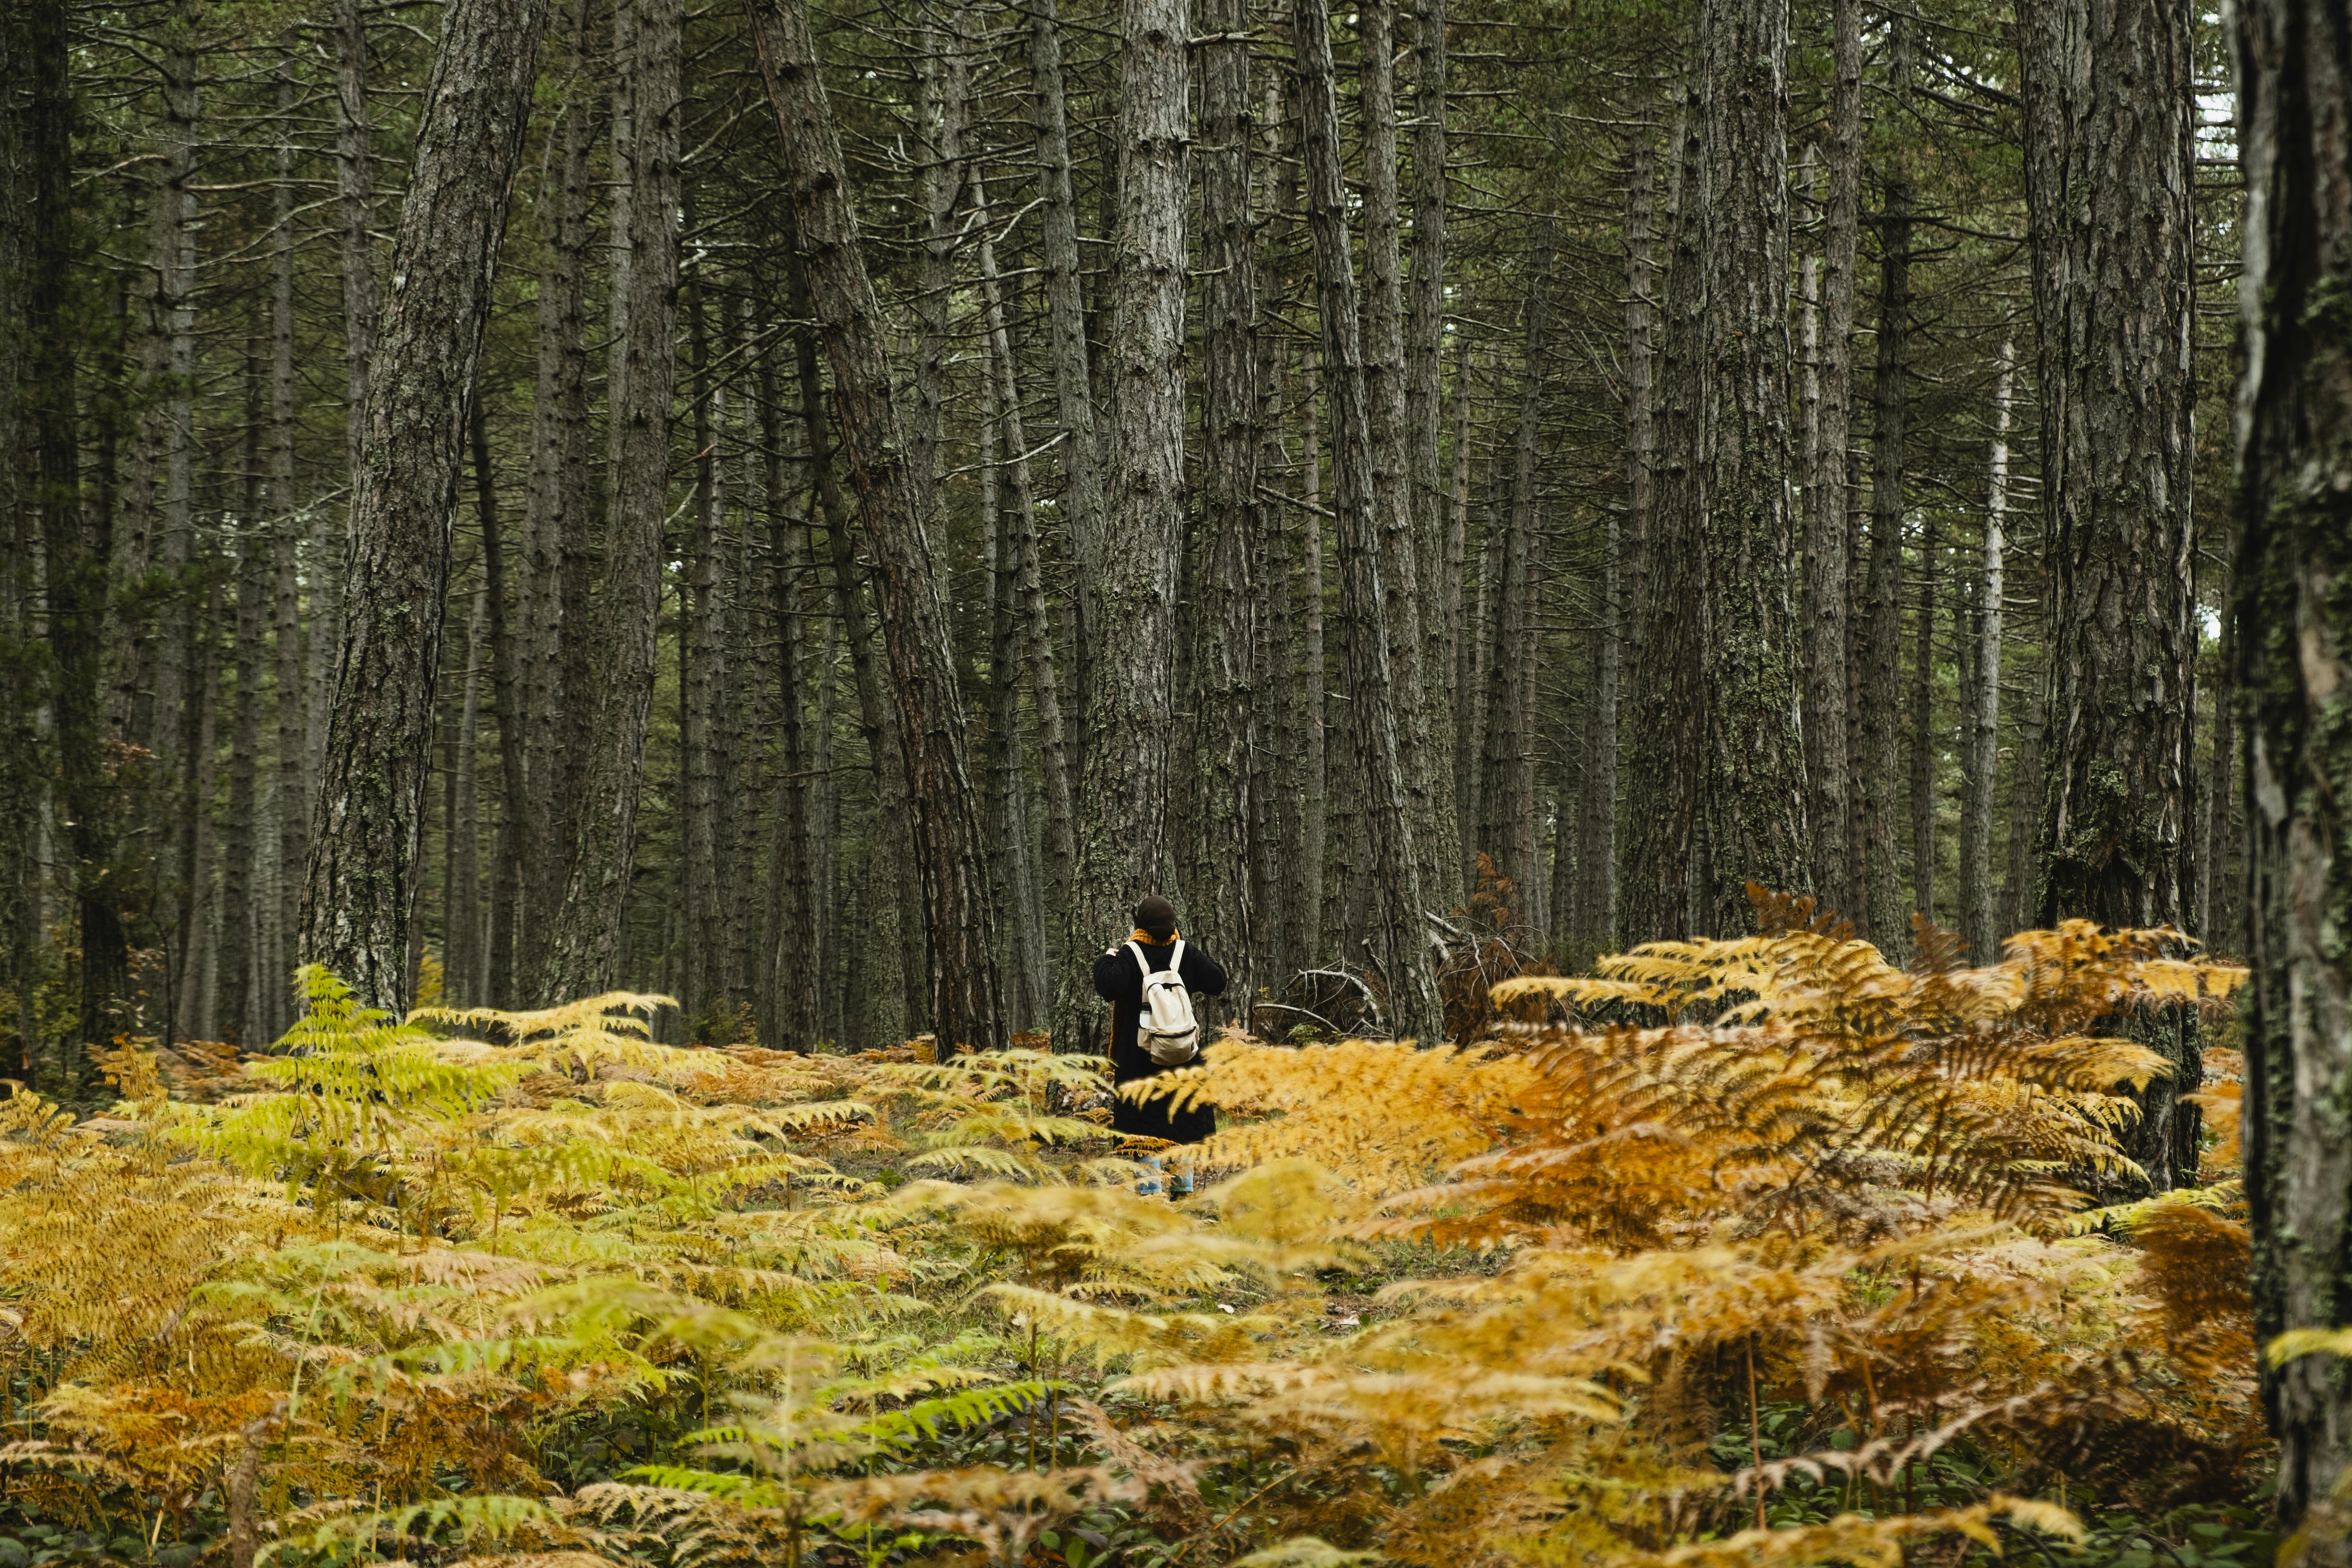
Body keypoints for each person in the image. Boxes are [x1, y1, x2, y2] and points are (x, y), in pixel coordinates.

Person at [1093, 893, 1227, 1195]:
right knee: (1183, 1128)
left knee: (1144, 1131)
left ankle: (1151, 1195)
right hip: (1184, 1059)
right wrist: (1194, 959)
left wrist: (1107, 958)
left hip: (1140, 1060)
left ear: (1140, 923)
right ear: (1172, 924)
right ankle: (1184, 1193)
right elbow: (1218, 981)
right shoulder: (1185, 952)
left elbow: (1108, 985)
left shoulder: (1131, 953)